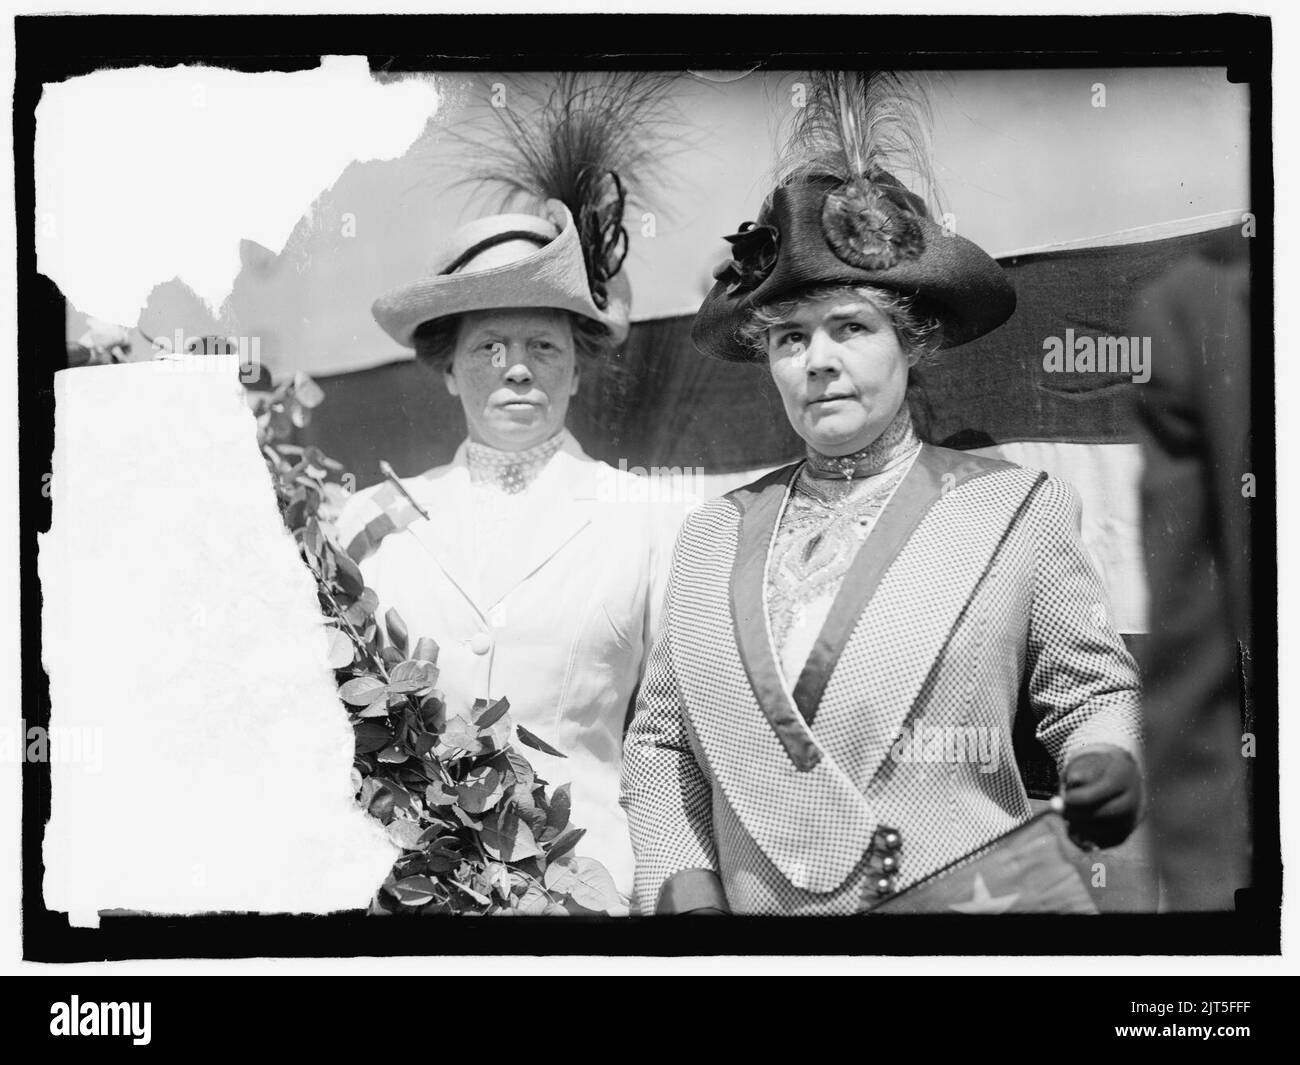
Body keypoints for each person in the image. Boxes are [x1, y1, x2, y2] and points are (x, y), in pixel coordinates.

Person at [620, 72, 1145, 916]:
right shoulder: (711, 535)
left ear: (913, 337)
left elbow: (1093, 692)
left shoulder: (1013, 510)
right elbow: (660, 747)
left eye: (851, 327)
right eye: (791, 336)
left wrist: (1106, 760)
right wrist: (688, 894)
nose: (817, 359)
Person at [339, 78, 680, 904]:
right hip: (400, 897)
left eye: (542, 343)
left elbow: (672, 742)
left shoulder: (650, 520)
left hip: (584, 895)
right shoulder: (371, 522)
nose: (516, 366)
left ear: (578, 366)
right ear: (447, 368)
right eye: (488, 345)